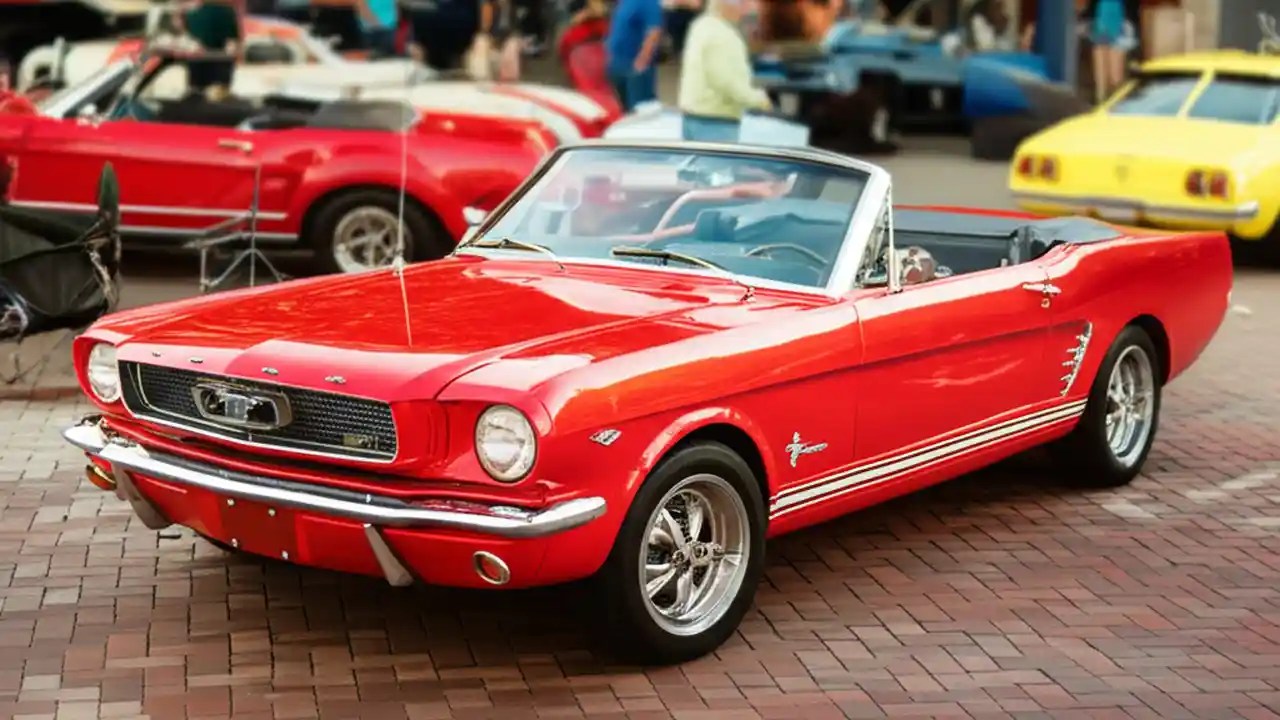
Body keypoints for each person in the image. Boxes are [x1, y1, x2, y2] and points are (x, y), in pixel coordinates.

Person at [677, 0, 772, 141]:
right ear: (728, 6)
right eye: (742, 4)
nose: (746, 11)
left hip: (693, 117)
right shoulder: (722, 36)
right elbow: (727, 83)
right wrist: (762, 101)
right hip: (716, 121)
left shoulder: (701, 25)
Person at [177, 0, 244, 96]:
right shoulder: (227, 11)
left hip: (198, 64)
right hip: (221, 65)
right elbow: (233, 45)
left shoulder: (191, 12)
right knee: (218, 98)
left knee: (196, 95)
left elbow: (184, 36)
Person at [606, 0, 664, 111]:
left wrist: (642, 61)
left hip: (634, 66)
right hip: (618, 63)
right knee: (623, 109)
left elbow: (654, 32)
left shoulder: (649, 3)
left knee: (640, 111)